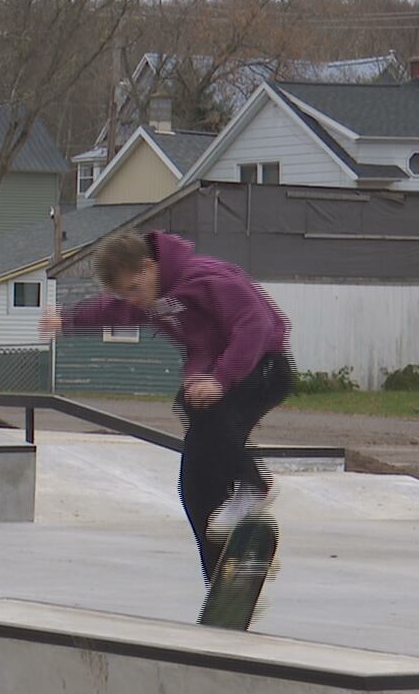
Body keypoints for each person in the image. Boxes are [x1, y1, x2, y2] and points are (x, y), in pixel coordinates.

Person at [41, 230, 292, 583]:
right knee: (194, 483)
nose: (134, 301)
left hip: (263, 367)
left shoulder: (205, 278)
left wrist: (220, 378)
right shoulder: (150, 296)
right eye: (125, 294)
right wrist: (65, 321)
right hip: (221, 376)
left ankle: (252, 486)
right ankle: (224, 575)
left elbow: (253, 323)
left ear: (147, 267)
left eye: (134, 289)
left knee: (209, 413)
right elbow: (110, 309)